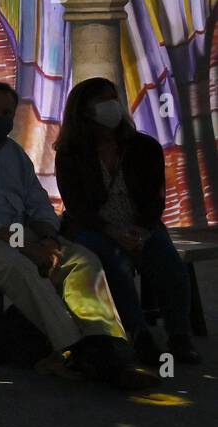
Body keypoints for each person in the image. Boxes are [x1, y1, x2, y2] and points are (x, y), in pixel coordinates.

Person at [0, 79, 159, 389]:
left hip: (18, 233)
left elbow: (38, 202)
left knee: (82, 259)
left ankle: (109, 343)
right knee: (16, 264)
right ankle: (73, 349)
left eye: (6, 112)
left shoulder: (14, 154)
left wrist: (47, 237)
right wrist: (26, 246)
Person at [55, 77, 200, 365]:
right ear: (83, 110)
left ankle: (179, 334)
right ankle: (138, 333)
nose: (111, 106)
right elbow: (77, 206)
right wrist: (113, 232)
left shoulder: (144, 147)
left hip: (140, 225)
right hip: (94, 227)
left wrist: (142, 231)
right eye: (101, 100)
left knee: (170, 264)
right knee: (112, 264)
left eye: (113, 98)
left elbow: (155, 198)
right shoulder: (71, 152)